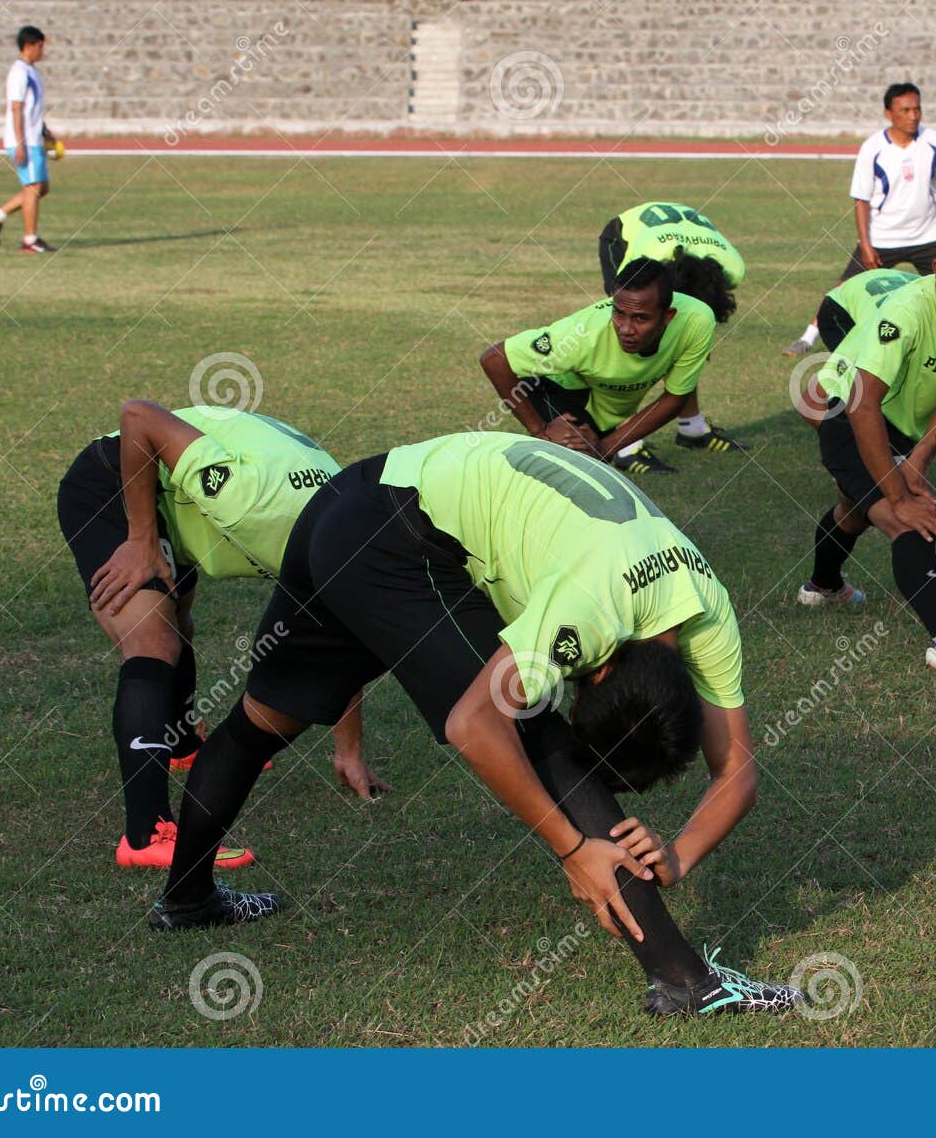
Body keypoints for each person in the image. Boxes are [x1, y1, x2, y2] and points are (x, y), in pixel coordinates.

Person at [150, 432, 803, 1017]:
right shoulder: (593, 607)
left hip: (350, 503)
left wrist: (678, 855)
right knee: (531, 726)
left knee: (262, 720)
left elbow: (737, 772)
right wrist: (574, 849)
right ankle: (686, 980)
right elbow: (474, 722)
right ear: (599, 669)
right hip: (396, 532)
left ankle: (186, 898)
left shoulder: (704, 616)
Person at [56, 401, 380, 871]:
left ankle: (182, 744)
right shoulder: (251, 499)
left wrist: (348, 750)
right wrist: (142, 540)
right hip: (117, 482)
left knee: (177, 620)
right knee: (153, 640)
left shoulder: (344, 523)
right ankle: (145, 835)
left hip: (179, 495)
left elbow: (342, 632)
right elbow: (138, 418)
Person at [799, 218, 936, 677]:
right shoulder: (906, 311)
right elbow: (864, 407)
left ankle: (822, 586)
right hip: (847, 410)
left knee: (855, 506)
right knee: (906, 520)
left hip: (902, 421)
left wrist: (918, 459)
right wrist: (901, 495)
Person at [480, 258, 715, 476]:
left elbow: (675, 398)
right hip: (558, 391)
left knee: (592, 470)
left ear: (668, 316)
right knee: (574, 468)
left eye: (640, 318)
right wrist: (540, 430)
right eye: (619, 313)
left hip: (606, 414)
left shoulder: (697, 321)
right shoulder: (582, 335)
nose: (625, 328)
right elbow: (494, 359)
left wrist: (606, 446)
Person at [784, 83, 936, 356]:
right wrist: (865, 244)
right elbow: (861, 200)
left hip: (928, 235)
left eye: (917, 109)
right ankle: (808, 337)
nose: (913, 115)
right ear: (889, 113)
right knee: (842, 291)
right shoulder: (873, 148)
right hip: (882, 238)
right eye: (905, 110)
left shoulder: (934, 141)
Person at [597, 201, 748, 456]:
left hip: (671, 237)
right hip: (622, 235)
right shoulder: (644, 261)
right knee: (628, 336)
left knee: (684, 342)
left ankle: (692, 429)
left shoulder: (733, 269)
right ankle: (623, 442)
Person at [0, 26, 59, 254]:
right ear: (29, 46)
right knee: (33, 187)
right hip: (24, 139)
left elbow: (33, 109)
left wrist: (45, 131)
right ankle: (30, 239)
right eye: (40, 46)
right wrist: (21, 141)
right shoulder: (19, 72)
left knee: (41, 187)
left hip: (34, 137)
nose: (42, 51)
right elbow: (16, 108)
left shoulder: (32, 71)